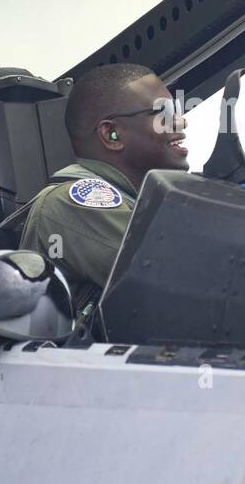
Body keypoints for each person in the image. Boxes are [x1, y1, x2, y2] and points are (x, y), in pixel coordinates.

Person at [20, 63, 189, 317]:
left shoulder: (140, 203)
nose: (180, 121)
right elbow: (185, 282)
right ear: (112, 134)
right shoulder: (75, 203)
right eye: (163, 113)